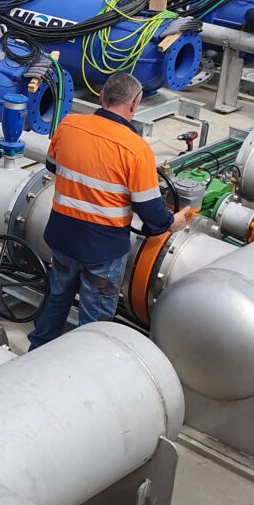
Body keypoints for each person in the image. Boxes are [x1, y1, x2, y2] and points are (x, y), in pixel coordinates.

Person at [29, 71, 193, 351]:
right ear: (134, 104)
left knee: (57, 297)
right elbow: (151, 211)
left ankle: (38, 350)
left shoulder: (69, 125)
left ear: (102, 97)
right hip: (101, 250)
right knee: (95, 319)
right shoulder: (136, 149)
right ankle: (87, 369)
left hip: (62, 238)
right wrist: (171, 222)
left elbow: (53, 166)